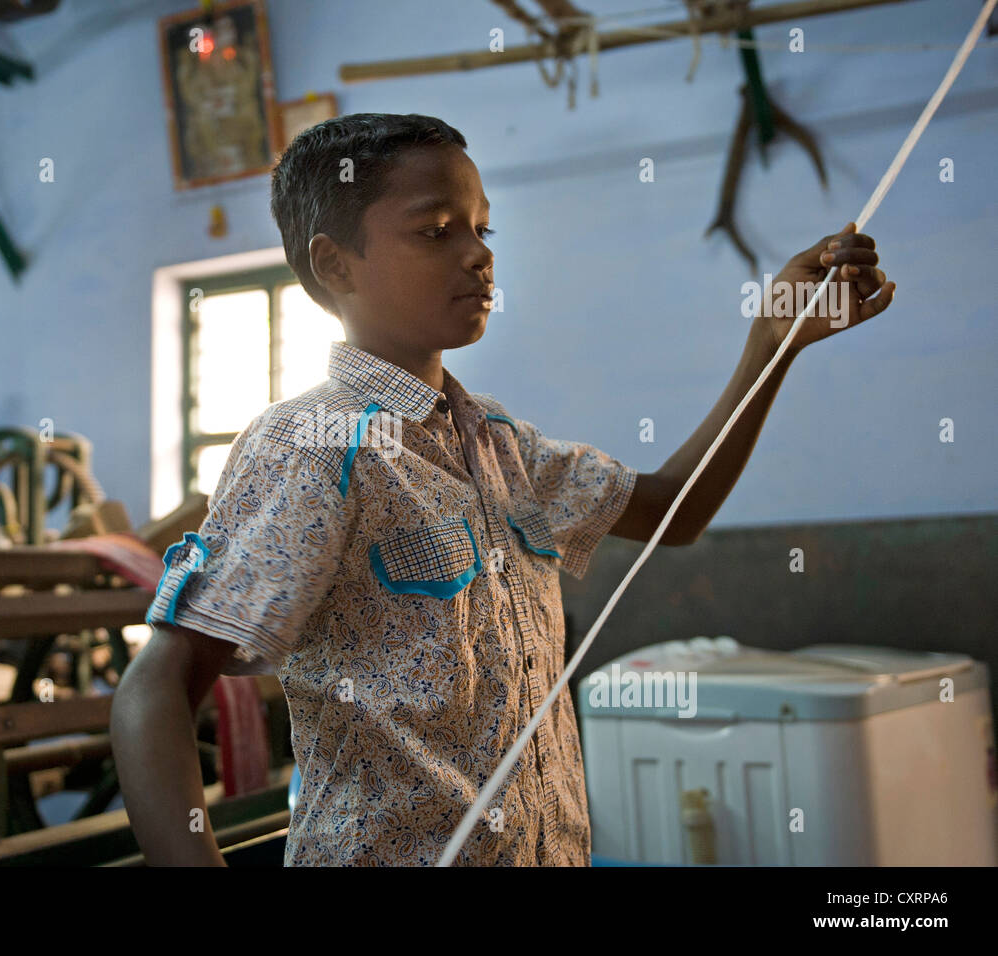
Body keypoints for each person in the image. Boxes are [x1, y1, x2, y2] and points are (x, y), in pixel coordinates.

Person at [110, 113, 895, 866]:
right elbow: (159, 688)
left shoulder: (500, 444)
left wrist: (773, 341)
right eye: (436, 231)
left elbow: (674, 510)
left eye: (484, 229)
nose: (479, 255)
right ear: (334, 265)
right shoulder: (314, 447)